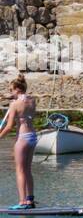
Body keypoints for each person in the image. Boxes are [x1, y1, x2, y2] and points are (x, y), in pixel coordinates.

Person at [0, 75, 37, 210]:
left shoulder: (14, 104)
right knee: (27, 169)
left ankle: (22, 202)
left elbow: (9, 127)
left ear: (17, 89)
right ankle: (30, 200)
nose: (11, 93)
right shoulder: (32, 101)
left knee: (20, 170)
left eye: (11, 90)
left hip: (22, 137)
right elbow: (26, 112)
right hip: (32, 136)